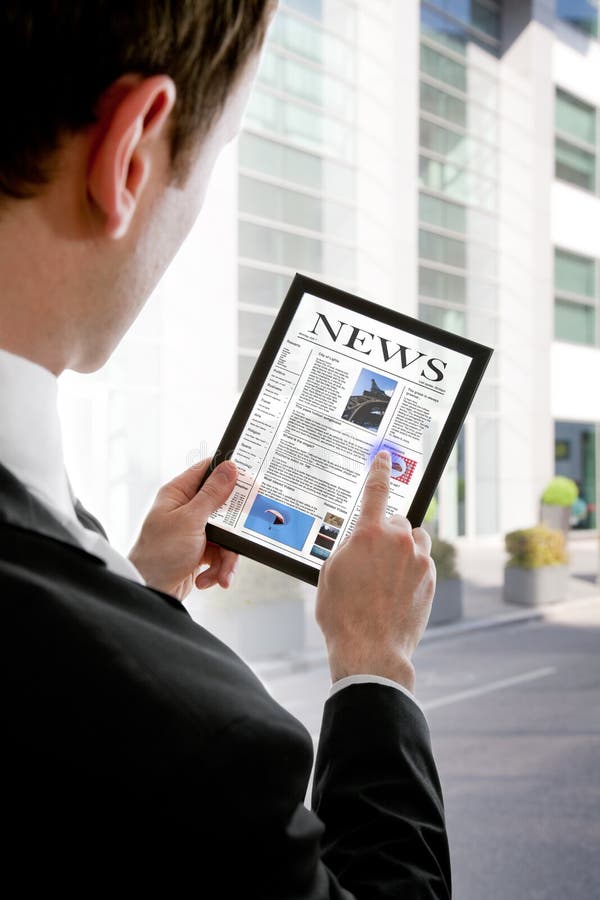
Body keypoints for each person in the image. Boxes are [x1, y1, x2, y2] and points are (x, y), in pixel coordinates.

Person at [0, 2, 451, 896]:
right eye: (222, 150)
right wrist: (375, 666)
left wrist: (138, 591)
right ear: (131, 151)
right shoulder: (196, 746)